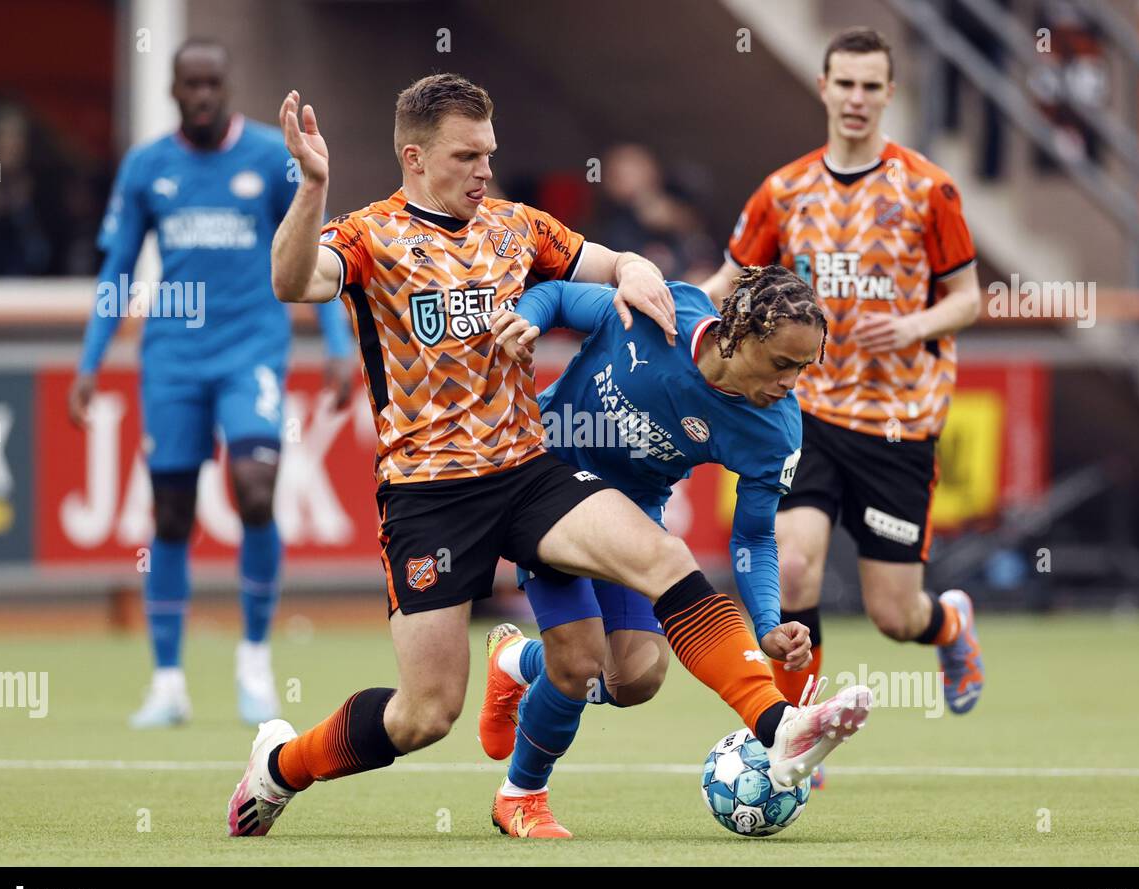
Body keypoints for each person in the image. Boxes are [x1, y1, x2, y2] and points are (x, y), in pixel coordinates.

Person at [227, 73, 871, 838]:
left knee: (662, 561)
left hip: (532, 469)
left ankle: (776, 725)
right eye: (467, 155)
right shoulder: (371, 236)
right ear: (415, 157)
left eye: (489, 153)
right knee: (424, 715)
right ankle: (280, 766)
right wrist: (314, 188)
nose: (485, 169)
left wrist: (635, 271)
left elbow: (610, 267)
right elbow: (292, 279)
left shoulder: (517, 228)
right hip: (428, 494)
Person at [479, 264, 855, 838]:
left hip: (630, 515)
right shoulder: (660, 311)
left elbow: (754, 535)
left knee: (636, 679)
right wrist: (525, 323)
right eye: (782, 363)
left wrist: (770, 622)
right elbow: (555, 296)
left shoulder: (774, 430)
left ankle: (514, 664)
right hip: (543, 479)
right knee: (579, 664)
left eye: (805, 367)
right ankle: (521, 793)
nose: (791, 383)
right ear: (735, 335)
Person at [69, 39, 355, 728]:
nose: (201, 95)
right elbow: (117, 271)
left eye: (212, 84)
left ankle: (254, 657)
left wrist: (340, 345)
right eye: (189, 84)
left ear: (226, 88)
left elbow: (323, 250)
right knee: (170, 512)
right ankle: (168, 682)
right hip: (171, 356)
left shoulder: (267, 158)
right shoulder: (147, 167)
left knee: (255, 489)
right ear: (172, 90)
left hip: (252, 349)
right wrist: (89, 363)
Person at [701, 27, 985, 719]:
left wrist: (913, 325)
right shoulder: (785, 190)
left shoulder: (928, 190)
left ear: (889, 94)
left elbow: (969, 297)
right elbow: (728, 283)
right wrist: (658, 311)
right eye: (844, 83)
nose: (856, 98)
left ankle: (949, 626)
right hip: (808, 415)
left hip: (898, 423)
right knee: (792, 566)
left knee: (894, 614)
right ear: (824, 87)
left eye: (870, 85)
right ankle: (795, 732)